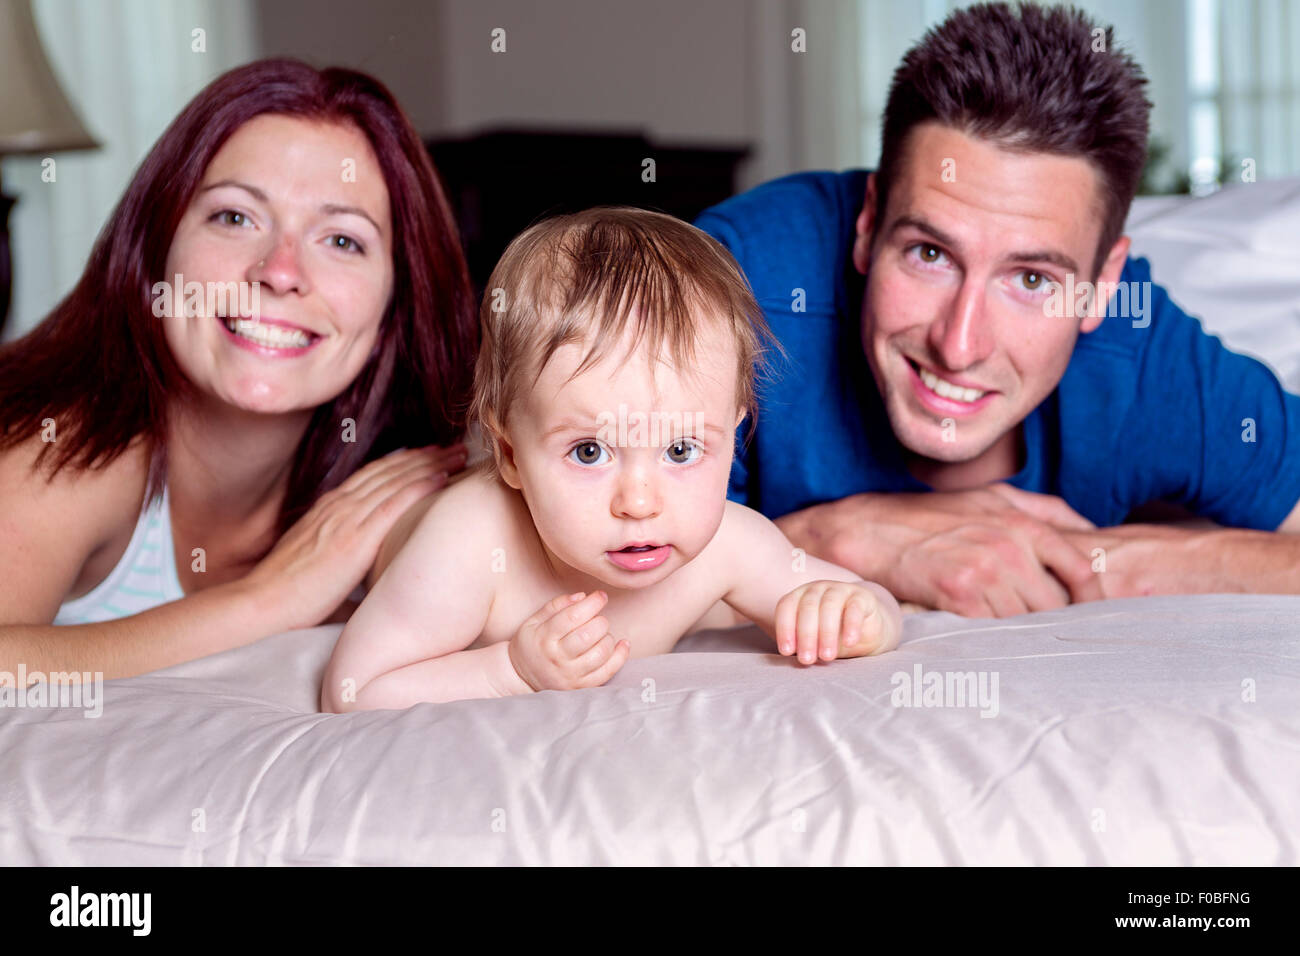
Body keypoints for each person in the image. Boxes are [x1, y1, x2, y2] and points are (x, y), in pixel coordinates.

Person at [695, 2, 1300, 618]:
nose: (959, 346)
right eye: (930, 253)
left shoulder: (1139, 354)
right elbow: (598, 585)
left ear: (1103, 284)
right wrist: (833, 539)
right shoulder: (731, 289)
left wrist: (1139, 562)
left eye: (1032, 279)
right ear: (869, 222)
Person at [0, 59, 475, 678]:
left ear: (395, 305)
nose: (279, 272)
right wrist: (270, 600)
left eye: (341, 240)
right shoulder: (69, 445)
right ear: (154, 256)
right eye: (234, 217)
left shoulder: (393, 479)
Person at [320, 208, 902, 710]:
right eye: (590, 451)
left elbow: (875, 603)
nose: (640, 502)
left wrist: (855, 615)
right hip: (412, 527)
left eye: (680, 449)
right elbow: (352, 688)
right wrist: (511, 671)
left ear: (734, 432)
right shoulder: (471, 545)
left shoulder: (730, 542)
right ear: (509, 455)